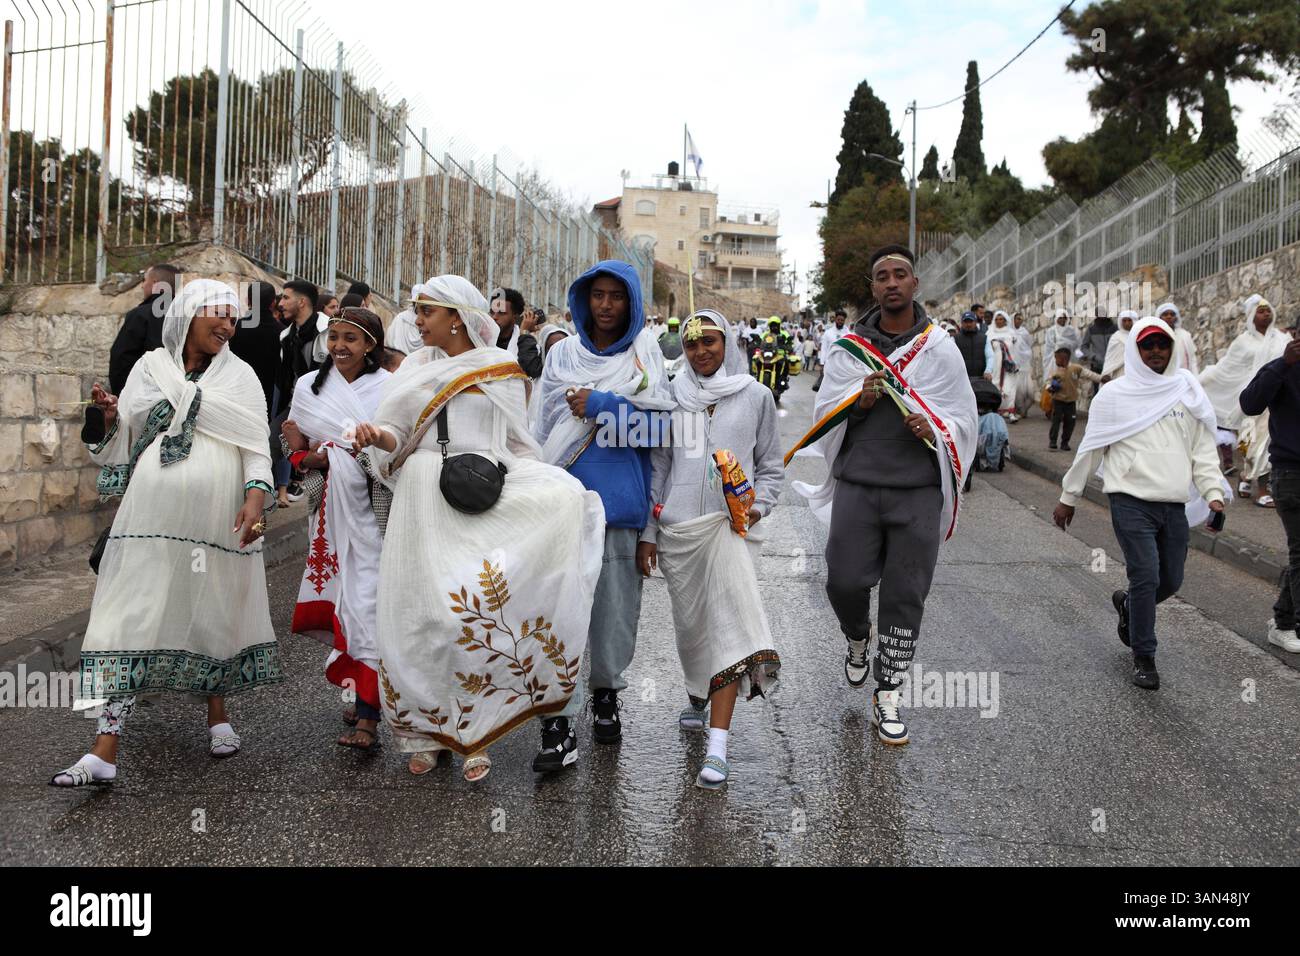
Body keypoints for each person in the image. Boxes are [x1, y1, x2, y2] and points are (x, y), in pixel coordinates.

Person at [353, 276, 605, 782]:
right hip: (424, 497)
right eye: (417, 311)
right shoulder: (414, 369)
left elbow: (516, 441)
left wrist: (542, 486)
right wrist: (373, 433)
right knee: (428, 617)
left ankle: (475, 734)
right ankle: (427, 735)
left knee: (473, 616)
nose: (418, 320)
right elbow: (395, 434)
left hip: (482, 493)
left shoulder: (502, 370)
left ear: (456, 317)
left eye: (427, 311)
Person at [51, 279, 281, 787]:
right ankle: (104, 749)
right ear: (186, 316)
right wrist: (109, 417)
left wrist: (256, 496)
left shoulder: (241, 375)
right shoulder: (149, 368)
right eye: (216, 315)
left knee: (214, 604)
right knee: (131, 609)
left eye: (233, 318)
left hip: (218, 516)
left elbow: (255, 443)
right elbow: (121, 444)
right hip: (150, 515)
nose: (227, 325)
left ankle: (217, 715)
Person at [789, 245, 977, 745]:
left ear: (915, 284)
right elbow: (826, 409)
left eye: (900, 274)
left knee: (905, 594)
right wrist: (860, 401)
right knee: (844, 581)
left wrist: (934, 431)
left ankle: (888, 692)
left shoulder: (940, 347)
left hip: (917, 491)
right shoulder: (847, 348)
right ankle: (856, 635)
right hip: (858, 482)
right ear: (872, 288)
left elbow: (962, 417)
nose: (891, 282)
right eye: (881, 276)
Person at [532, 260, 673, 770]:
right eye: (598, 295)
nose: (607, 305)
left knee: (614, 618)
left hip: (621, 510)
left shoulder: (645, 359)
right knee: (557, 615)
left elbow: (661, 435)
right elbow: (541, 427)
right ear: (583, 299)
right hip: (562, 507)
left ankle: (607, 693)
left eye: (617, 296)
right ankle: (557, 723)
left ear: (632, 302)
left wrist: (604, 404)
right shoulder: (562, 355)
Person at [636, 309, 782, 789]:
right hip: (680, 532)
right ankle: (697, 694)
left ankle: (718, 746)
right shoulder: (672, 399)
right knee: (691, 628)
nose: (701, 352)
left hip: (730, 531)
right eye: (692, 343)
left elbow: (771, 469)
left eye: (710, 342)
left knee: (726, 628)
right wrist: (649, 533)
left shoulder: (755, 396)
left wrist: (754, 511)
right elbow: (659, 468)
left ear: (728, 344)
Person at [1054, 317, 1227, 691]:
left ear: (1172, 348)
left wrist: (1213, 493)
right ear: (1135, 349)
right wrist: (1069, 497)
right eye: (1147, 346)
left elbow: (1202, 453)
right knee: (1146, 575)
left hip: (1173, 504)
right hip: (1130, 502)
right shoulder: (1115, 396)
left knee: (1171, 580)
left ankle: (1130, 606)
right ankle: (1144, 654)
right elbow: (1091, 449)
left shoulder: (1186, 392)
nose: (1155, 352)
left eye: (1161, 345)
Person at [282, 308, 392, 752]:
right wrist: (310, 459)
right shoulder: (309, 387)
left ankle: (369, 717)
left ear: (370, 345)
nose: (341, 346)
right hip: (327, 515)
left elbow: (396, 451)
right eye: (335, 338)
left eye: (352, 338)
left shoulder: (390, 388)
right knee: (345, 602)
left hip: (376, 515)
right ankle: (360, 689)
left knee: (368, 605)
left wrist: (348, 457)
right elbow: (293, 443)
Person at [1239, 318, 1300, 653]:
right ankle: (1289, 624)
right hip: (1291, 475)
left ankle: (1282, 620)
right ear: (1293, 337)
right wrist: (1283, 365)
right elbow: (1249, 404)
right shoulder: (1281, 369)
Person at [1199, 295, 1289, 504]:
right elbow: (1226, 369)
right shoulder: (1242, 343)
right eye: (1260, 311)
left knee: (1268, 444)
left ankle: (1263, 490)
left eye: (1268, 310)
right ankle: (1246, 475)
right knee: (1250, 445)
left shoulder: (1282, 339)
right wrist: (1201, 381)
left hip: (1276, 402)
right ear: (1251, 316)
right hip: (1252, 401)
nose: (1266, 314)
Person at [108, 263, 181, 395]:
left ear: (154, 283)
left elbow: (121, 359)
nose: (142, 285)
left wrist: (123, 397)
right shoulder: (187, 316)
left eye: (145, 280)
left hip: (144, 396)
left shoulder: (140, 315)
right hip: (180, 394)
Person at [1046, 345, 1101, 451]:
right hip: (1058, 400)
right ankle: (1053, 441)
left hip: (1071, 401)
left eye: (1057, 358)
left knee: (1070, 423)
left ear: (1063, 358)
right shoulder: (1055, 371)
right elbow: (1048, 382)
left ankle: (1065, 442)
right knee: (1056, 421)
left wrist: (1101, 378)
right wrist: (1050, 387)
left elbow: (1089, 374)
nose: (1056, 360)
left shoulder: (1076, 369)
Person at [489, 286, 543, 377]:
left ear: (515, 316)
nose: (494, 317)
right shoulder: (481, 339)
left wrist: (524, 333)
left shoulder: (526, 341)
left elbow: (531, 371)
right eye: (492, 312)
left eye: (501, 313)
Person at [984, 310, 1020, 421]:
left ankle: (1010, 412)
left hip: (1008, 366)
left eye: (1001, 319)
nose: (999, 321)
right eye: (997, 319)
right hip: (995, 366)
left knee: (1009, 388)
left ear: (1005, 320)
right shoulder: (989, 333)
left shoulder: (1011, 333)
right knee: (996, 387)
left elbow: (1016, 349)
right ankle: (997, 411)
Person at [1157, 302, 1199, 375]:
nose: (1169, 317)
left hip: (1184, 379)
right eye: (1165, 314)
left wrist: (1195, 377)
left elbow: (1192, 359)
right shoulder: (1155, 336)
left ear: (1176, 318)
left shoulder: (1185, 335)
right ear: (1160, 317)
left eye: (1172, 314)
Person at [813, 310, 848, 391]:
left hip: (843, 366)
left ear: (844, 321)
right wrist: (822, 363)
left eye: (842, 320)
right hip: (829, 365)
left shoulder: (848, 334)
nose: (840, 322)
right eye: (838, 319)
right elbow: (824, 349)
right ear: (835, 319)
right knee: (828, 388)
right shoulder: (828, 333)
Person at [1042, 310, 1082, 382]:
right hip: (1055, 361)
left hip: (1069, 359)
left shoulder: (1072, 331)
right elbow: (1049, 347)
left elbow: (1076, 345)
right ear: (1056, 319)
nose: (1062, 320)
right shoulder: (1051, 331)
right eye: (1060, 318)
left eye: (1064, 318)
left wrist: (1065, 344)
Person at [1101, 310, 1137, 381]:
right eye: (1124, 321)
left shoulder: (1138, 335)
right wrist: (1107, 373)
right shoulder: (1116, 337)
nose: (1127, 323)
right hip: (1119, 373)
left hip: (1135, 371)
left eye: (1129, 320)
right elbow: (1110, 358)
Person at [1011, 312, 1035, 415]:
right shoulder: (1009, 333)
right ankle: (1021, 411)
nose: (1019, 321)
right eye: (1017, 319)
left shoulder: (1024, 332)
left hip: (1025, 367)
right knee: (1019, 394)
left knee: (1031, 395)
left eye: (1021, 319)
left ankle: (1023, 410)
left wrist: (1026, 354)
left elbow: (1029, 345)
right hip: (1015, 369)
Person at [954, 311, 986, 378]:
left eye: (970, 321)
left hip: (981, 378)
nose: (968, 324)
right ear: (962, 323)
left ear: (975, 322)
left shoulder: (984, 338)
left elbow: (990, 357)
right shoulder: (955, 339)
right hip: (962, 378)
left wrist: (988, 371)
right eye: (966, 322)